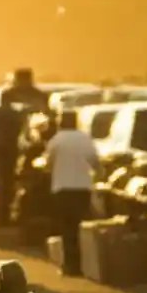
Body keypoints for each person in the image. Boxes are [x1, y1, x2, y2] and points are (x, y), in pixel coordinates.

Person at [46, 109, 99, 276]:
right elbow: (96, 163)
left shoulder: (56, 141)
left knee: (66, 228)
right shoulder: (85, 139)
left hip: (62, 188)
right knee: (80, 227)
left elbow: (48, 165)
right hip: (82, 188)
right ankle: (83, 265)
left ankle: (70, 266)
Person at [0, 97, 25, 226]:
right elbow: (22, 124)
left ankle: (1, 217)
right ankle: (7, 215)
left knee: (0, 182)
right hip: (12, 149)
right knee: (10, 181)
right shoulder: (16, 114)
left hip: (0, 149)